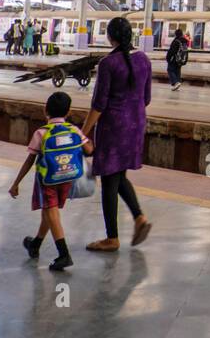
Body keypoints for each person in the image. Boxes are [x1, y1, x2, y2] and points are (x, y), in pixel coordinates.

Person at [80, 17, 153, 252]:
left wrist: (83, 133)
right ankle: (139, 218)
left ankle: (112, 238)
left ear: (110, 37)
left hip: (113, 127)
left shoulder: (108, 63)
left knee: (110, 179)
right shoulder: (143, 59)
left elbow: (99, 104)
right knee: (119, 175)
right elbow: (147, 98)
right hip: (136, 125)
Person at [9, 91, 92, 271]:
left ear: (45, 110)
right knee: (49, 212)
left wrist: (16, 183)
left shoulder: (41, 133)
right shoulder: (74, 130)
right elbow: (88, 149)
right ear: (69, 112)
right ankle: (36, 244)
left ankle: (64, 254)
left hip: (47, 180)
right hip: (68, 178)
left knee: (51, 212)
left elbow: (30, 160)